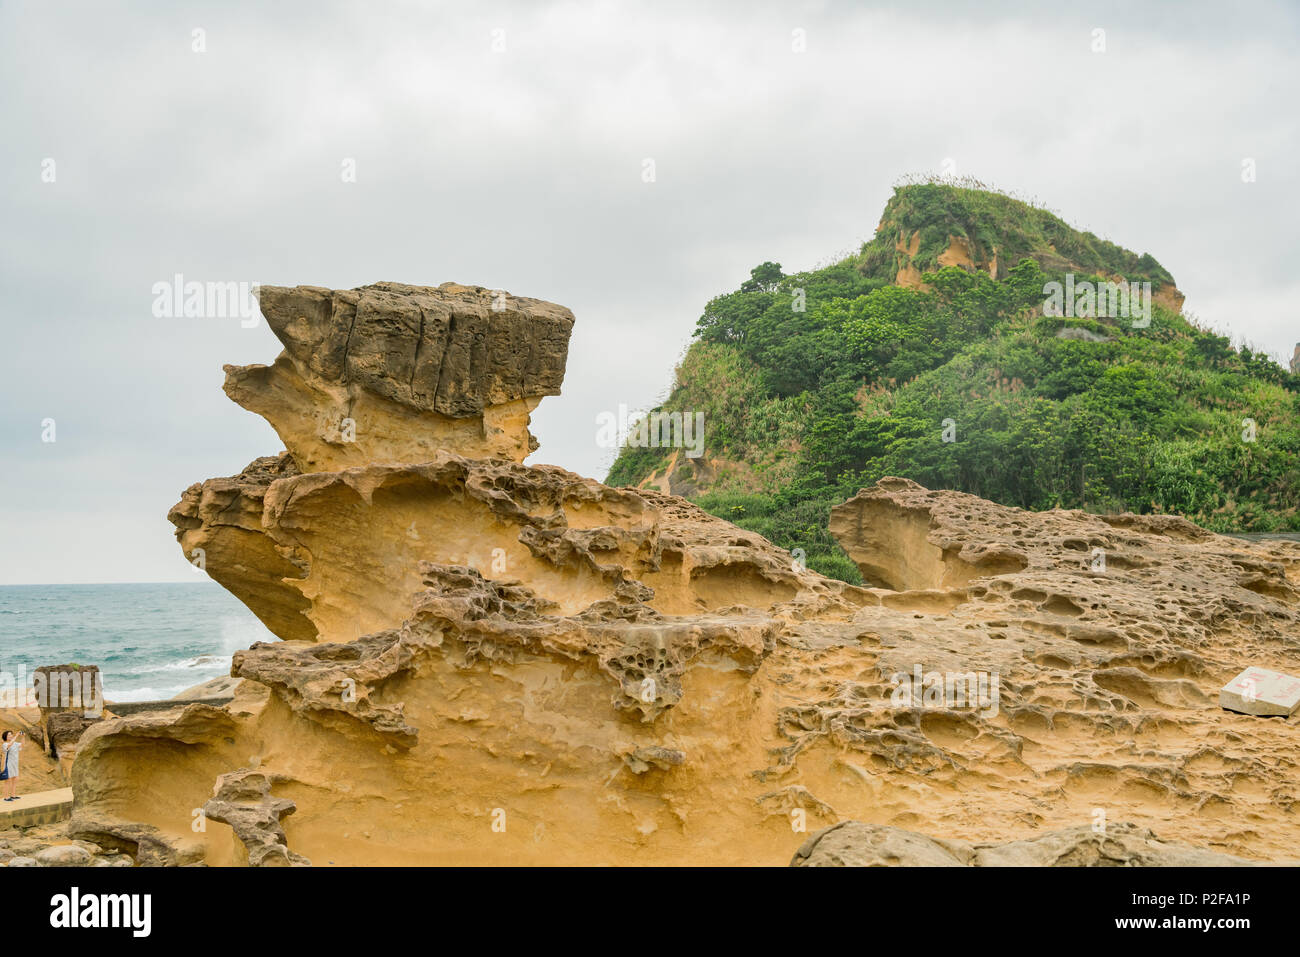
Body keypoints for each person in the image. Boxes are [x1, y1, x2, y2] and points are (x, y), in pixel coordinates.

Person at [1, 731, 21, 801]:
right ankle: (6, 797)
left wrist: (23, 737)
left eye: (11, 734)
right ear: (5, 737)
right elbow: (9, 745)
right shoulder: (5, 744)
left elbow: (23, 745)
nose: (10, 736)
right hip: (8, 765)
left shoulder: (15, 743)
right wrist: (16, 736)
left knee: (15, 780)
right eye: (8, 735)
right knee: (8, 781)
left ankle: (13, 795)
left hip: (15, 765)